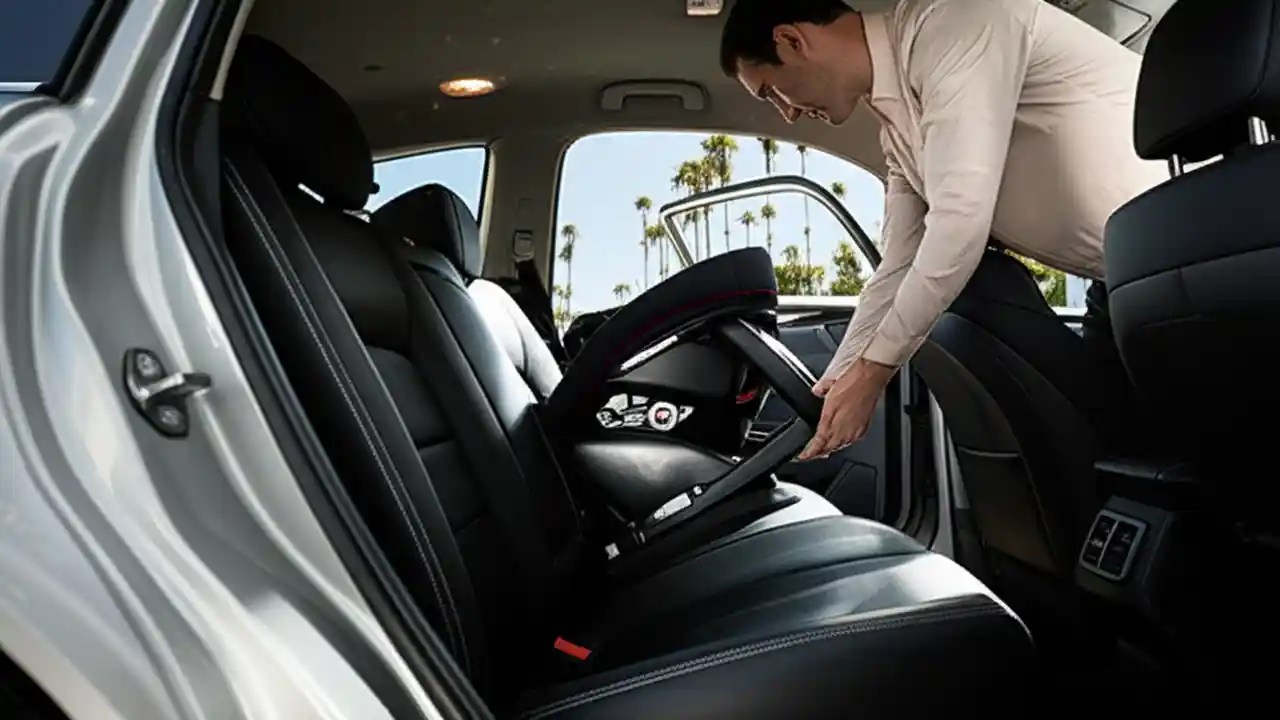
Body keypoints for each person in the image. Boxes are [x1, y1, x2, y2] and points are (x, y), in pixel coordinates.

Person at [719, 0, 1168, 459]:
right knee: (1116, 453)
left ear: (791, 41)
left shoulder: (959, 21)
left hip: (1190, 259)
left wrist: (872, 375)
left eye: (772, 92)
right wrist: (830, 389)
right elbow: (897, 265)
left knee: (1164, 457)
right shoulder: (897, 130)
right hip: (1119, 284)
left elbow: (959, 220)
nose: (786, 114)